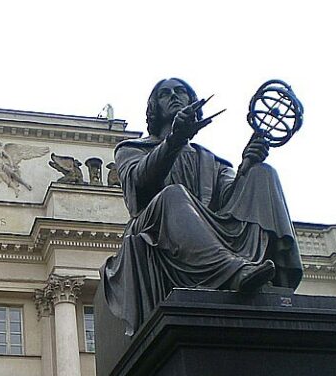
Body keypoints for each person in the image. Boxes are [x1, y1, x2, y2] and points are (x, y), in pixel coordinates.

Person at [101, 78, 303, 335]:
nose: (174, 96)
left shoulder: (209, 160)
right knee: (172, 195)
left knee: (263, 174)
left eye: (181, 91)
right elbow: (141, 183)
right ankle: (235, 272)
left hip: (211, 230)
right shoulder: (130, 149)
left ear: (192, 102)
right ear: (154, 109)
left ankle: (275, 274)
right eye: (164, 94)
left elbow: (230, 200)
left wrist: (246, 166)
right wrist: (174, 140)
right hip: (155, 228)